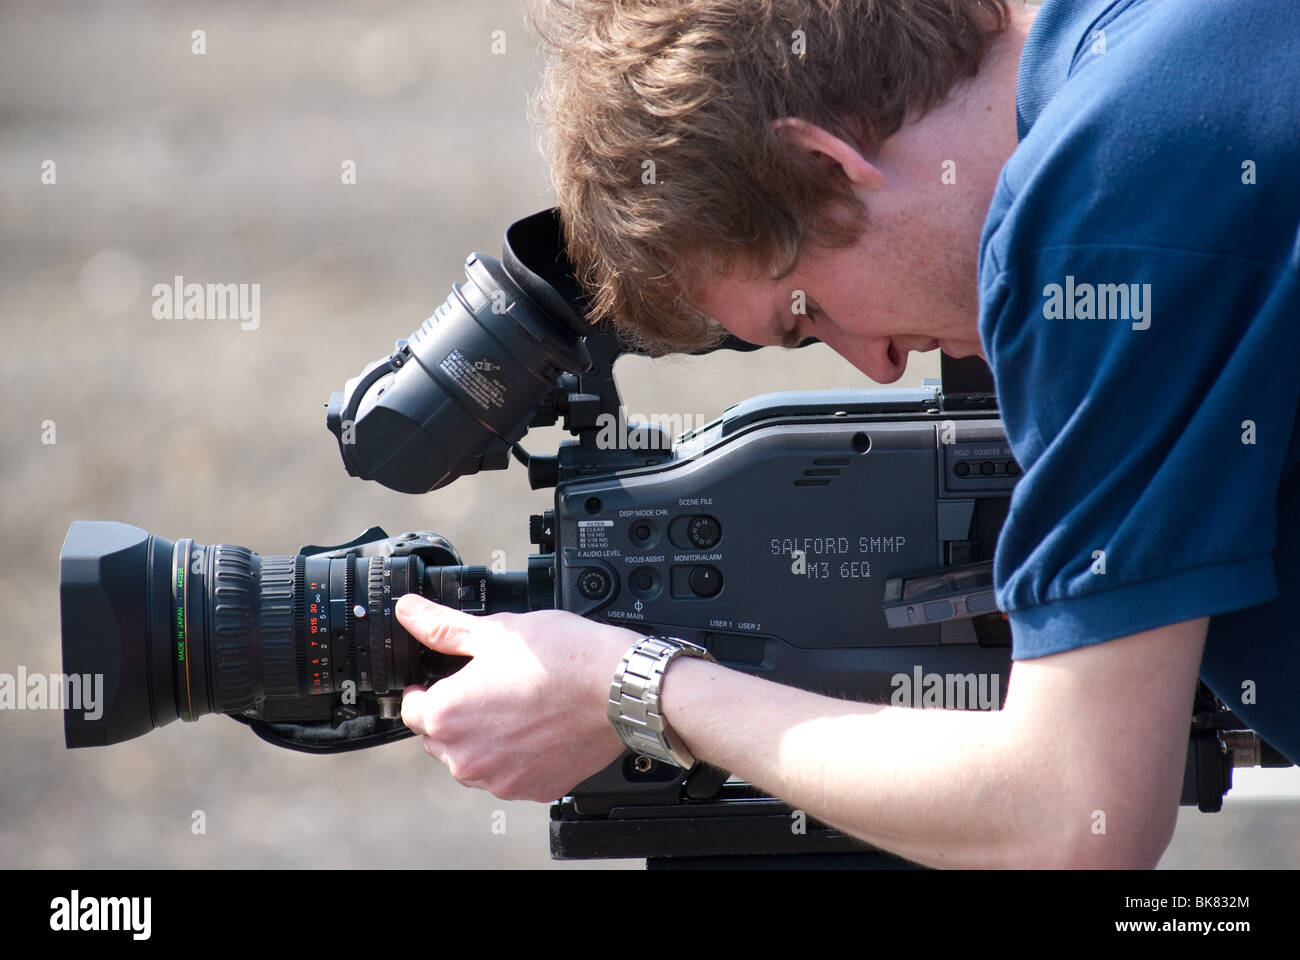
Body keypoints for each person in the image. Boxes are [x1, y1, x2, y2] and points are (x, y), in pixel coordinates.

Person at [398, 0, 1300, 868]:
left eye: (808, 314)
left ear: (829, 164)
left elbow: (1068, 822)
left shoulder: (1090, 225)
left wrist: (631, 686)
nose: (877, 366)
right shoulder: (1165, 42)